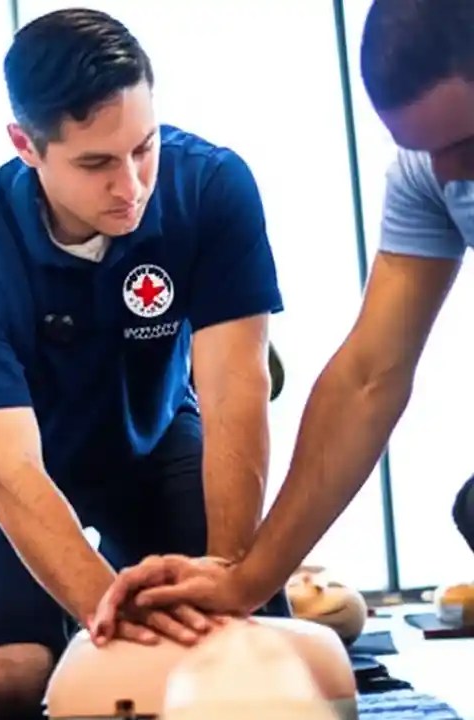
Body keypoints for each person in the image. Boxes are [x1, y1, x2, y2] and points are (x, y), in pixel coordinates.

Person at [0, 8, 289, 717]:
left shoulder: (212, 187)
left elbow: (238, 386)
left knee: (245, 634)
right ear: (26, 145)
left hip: (159, 436)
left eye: (143, 148)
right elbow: (6, 465)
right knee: (4, 678)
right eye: (96, 164)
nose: (132, 186)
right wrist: (104, 612)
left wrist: (229, 575)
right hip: (25, 464)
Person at [90, 0, 474, 630]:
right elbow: (368, 378)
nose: (449, 171)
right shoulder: (429, 177)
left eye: (465, 143)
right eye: (424, 147)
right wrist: (247, 579)